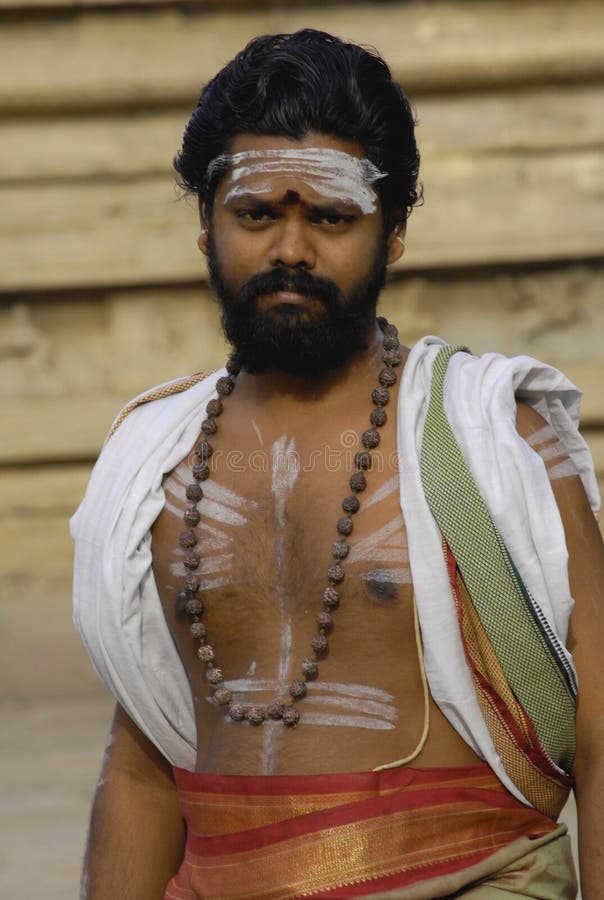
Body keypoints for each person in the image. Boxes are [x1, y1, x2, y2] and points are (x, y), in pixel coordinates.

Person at [71, 29, 604, 899]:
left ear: (393, 234)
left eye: (330, 218)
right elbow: (144, 769)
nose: (291, 250)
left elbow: (600, 739)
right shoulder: (153, 466)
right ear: (205, 227)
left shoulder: (492, 440)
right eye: (256, 215)